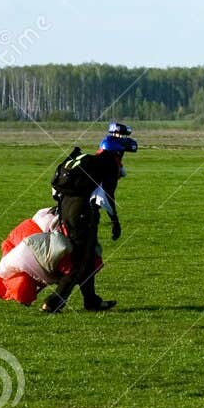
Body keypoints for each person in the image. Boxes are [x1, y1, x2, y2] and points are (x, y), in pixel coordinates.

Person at [41, 122, 135, 313]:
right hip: (83, 213)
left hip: (67, 207)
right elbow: (107, 196)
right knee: (80, 259)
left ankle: (91, 301)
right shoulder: (109, 164)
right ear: (118, 152)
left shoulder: (87, 161)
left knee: (89, 257)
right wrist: (115, 222)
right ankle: (52, 303)